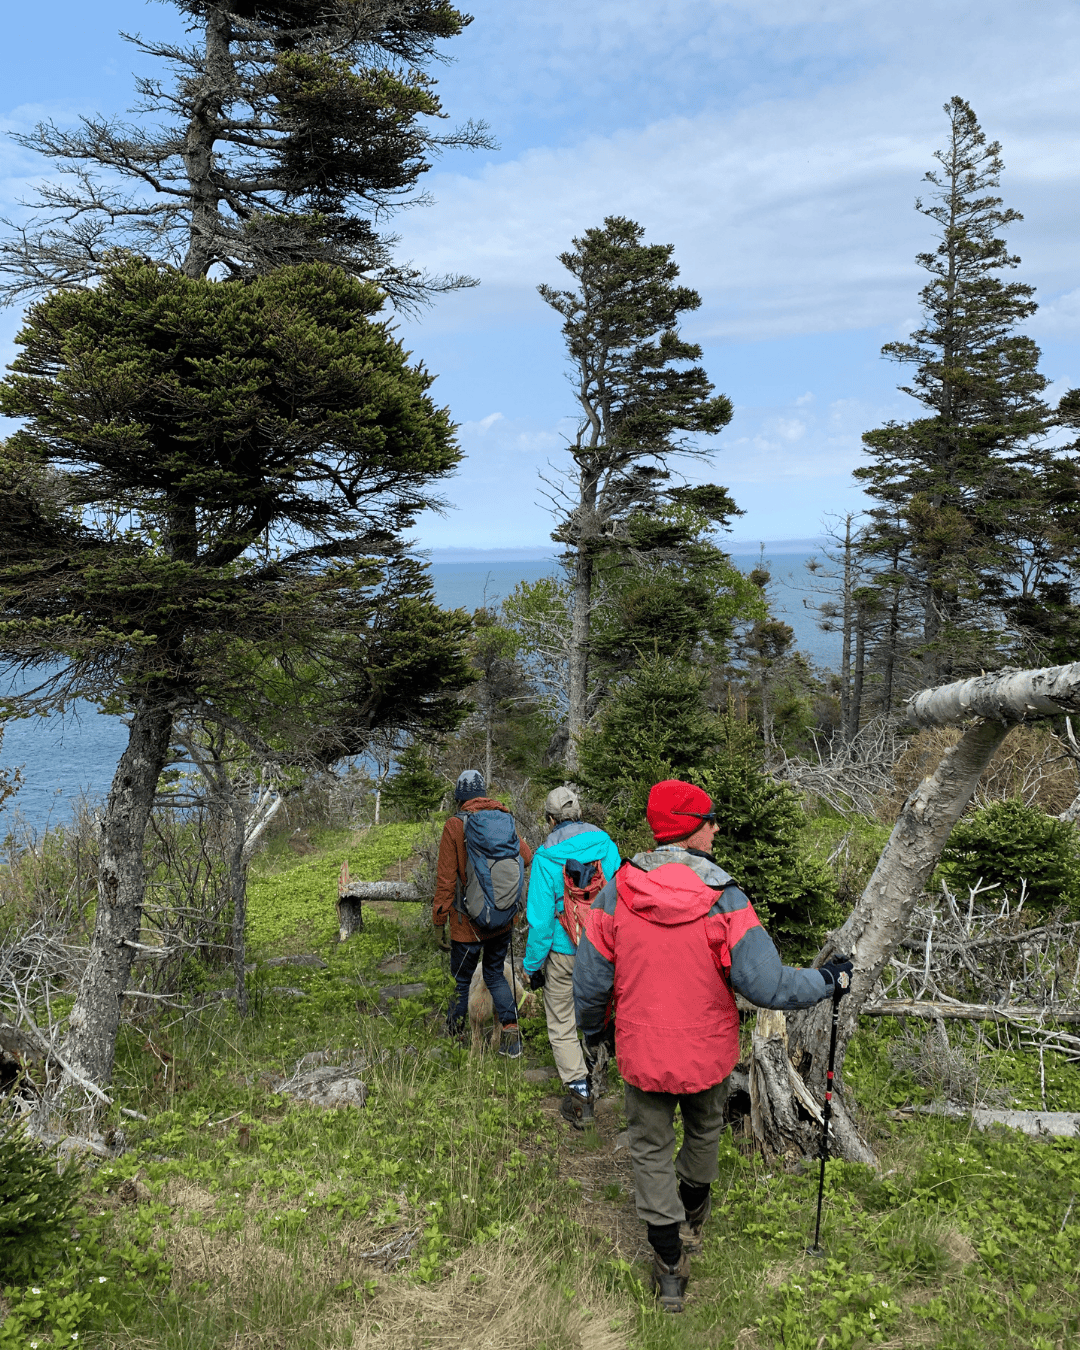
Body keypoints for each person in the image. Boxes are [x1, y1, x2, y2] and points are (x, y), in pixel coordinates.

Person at [573, 779, 852, 1314]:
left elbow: (589, 985)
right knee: (704, 1129)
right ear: (691, 829)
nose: (717, 827)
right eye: (710, 819)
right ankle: (692, 1216)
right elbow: (766, 986)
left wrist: (595, 1033)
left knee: (649, 1146)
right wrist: (829, 981)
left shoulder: (617, 891)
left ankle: (669, 1264)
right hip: (707, 1052)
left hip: (642, 1050)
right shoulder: (725, 898)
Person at [522, 785, 622, 1128]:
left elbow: (539, 922)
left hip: (564, 952)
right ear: (579, 813)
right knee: (599, 1008)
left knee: (561, 1019)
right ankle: (600, 1064)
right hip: (604, 948)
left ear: (550, 819)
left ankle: (580, 1096)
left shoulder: (546, 857)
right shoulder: (606, 845)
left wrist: (532, 966)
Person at [433, 770, 534, 1057]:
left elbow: (445, 881)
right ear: (483, 793)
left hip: (467, 924)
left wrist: (439, 923)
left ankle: (455, 1039)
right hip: (502, 920)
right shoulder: (504, 820)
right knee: (495, 975)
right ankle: (512, 1040)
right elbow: (526, 857)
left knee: (461, 981)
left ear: (460, 798)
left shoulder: (455, 825)